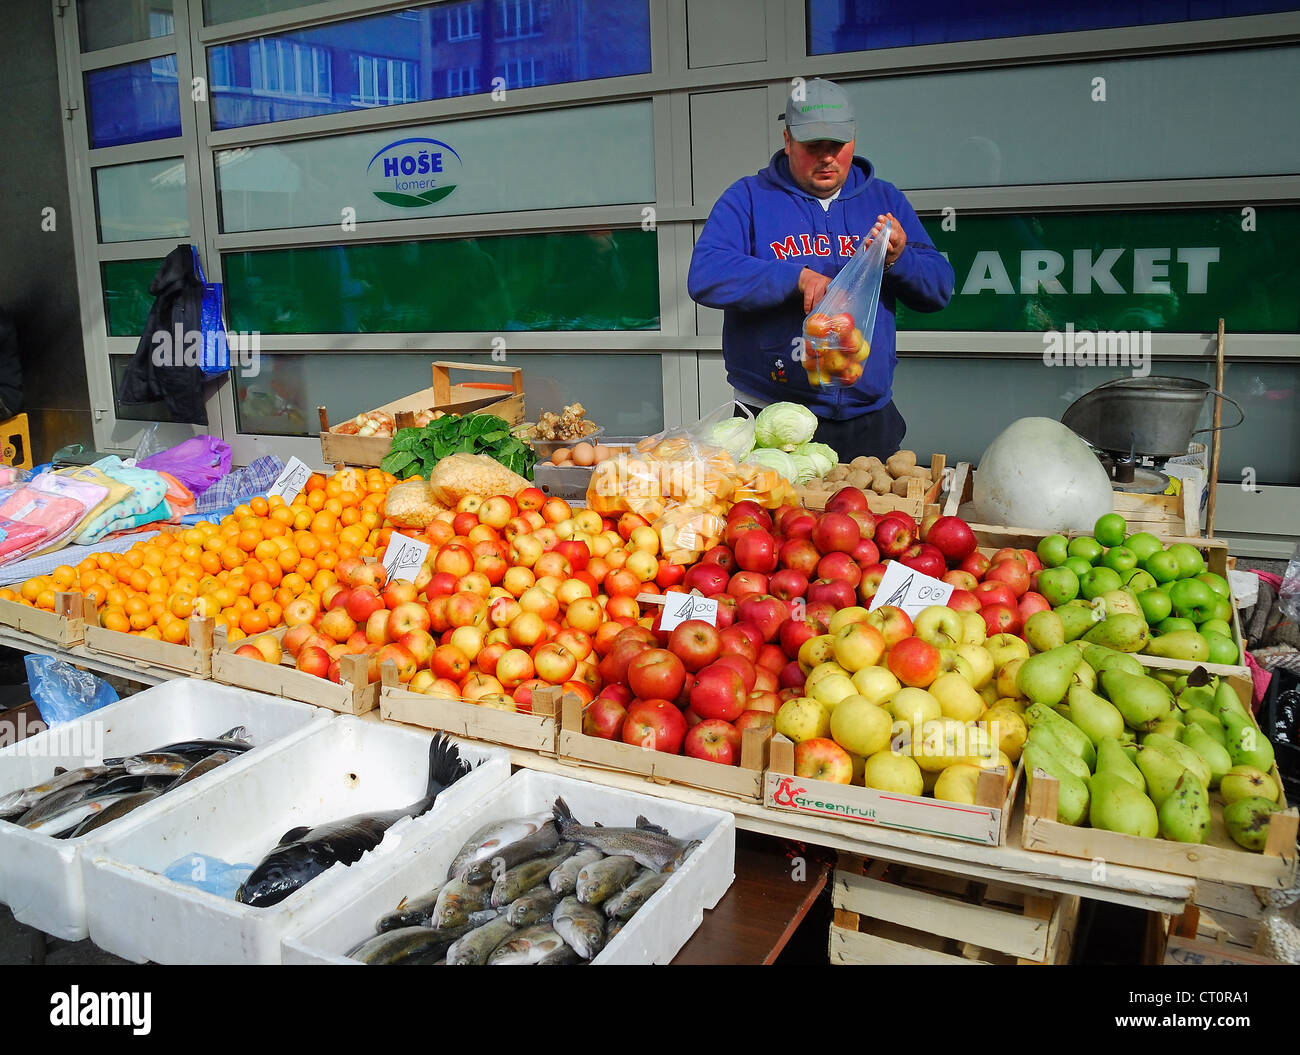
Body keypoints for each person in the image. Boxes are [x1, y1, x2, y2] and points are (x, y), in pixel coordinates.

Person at [688, 78, 955, 459]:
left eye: (838, 146)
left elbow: (940, 289)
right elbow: (706, 275)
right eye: (814, 146)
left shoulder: (884, 199)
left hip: (868, 420)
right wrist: (793, 277)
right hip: (773, 421)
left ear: (854, 141)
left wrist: (899, 257)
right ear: (788, 141)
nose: (827, 157)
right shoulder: (749, 197)